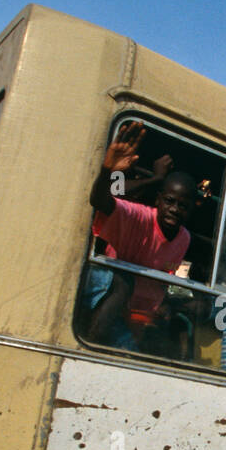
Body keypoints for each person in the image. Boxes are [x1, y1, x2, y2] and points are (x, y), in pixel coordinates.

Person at [82, 120, 194, 350]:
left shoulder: (184, 238)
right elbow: (101, 200)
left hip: (131, 312)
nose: (174, 209)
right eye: (169, 201)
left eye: (182, 206)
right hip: (104, 291)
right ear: (158, 200)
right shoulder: (138, 216)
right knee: (123, 282)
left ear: (191, 210)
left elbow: (159, 282)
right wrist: (108, 172)